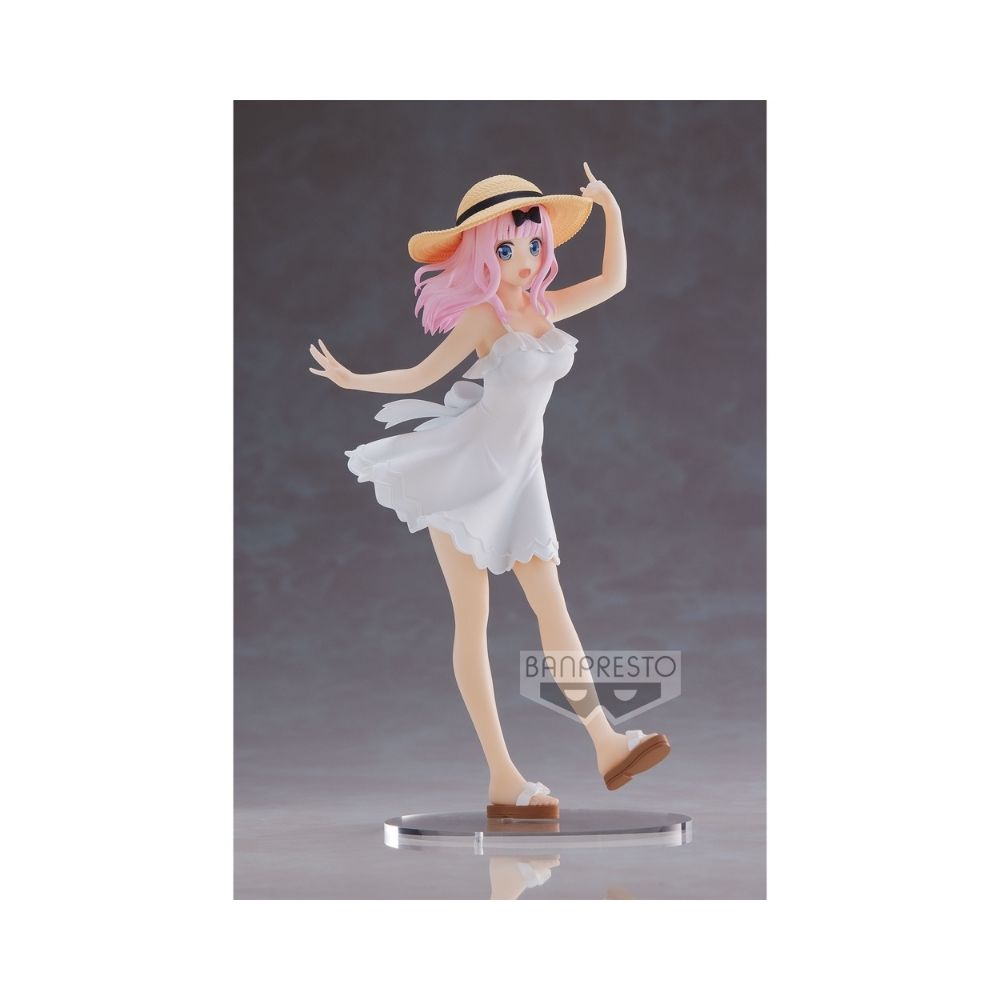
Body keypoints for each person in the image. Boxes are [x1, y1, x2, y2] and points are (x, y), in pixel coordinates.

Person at [309, 165, 670, 819]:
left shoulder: (544, 307)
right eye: (506, 249)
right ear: (481, 255)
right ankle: (503, 777)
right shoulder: (484, 319)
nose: (524, 260)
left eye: (532, 245)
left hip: (522, 477)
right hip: (465, 475)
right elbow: (418, 375)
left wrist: (612, 212)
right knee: (472, 619)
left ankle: (607, 743)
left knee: (554, 611)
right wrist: (353, 380)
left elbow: (614, 281)